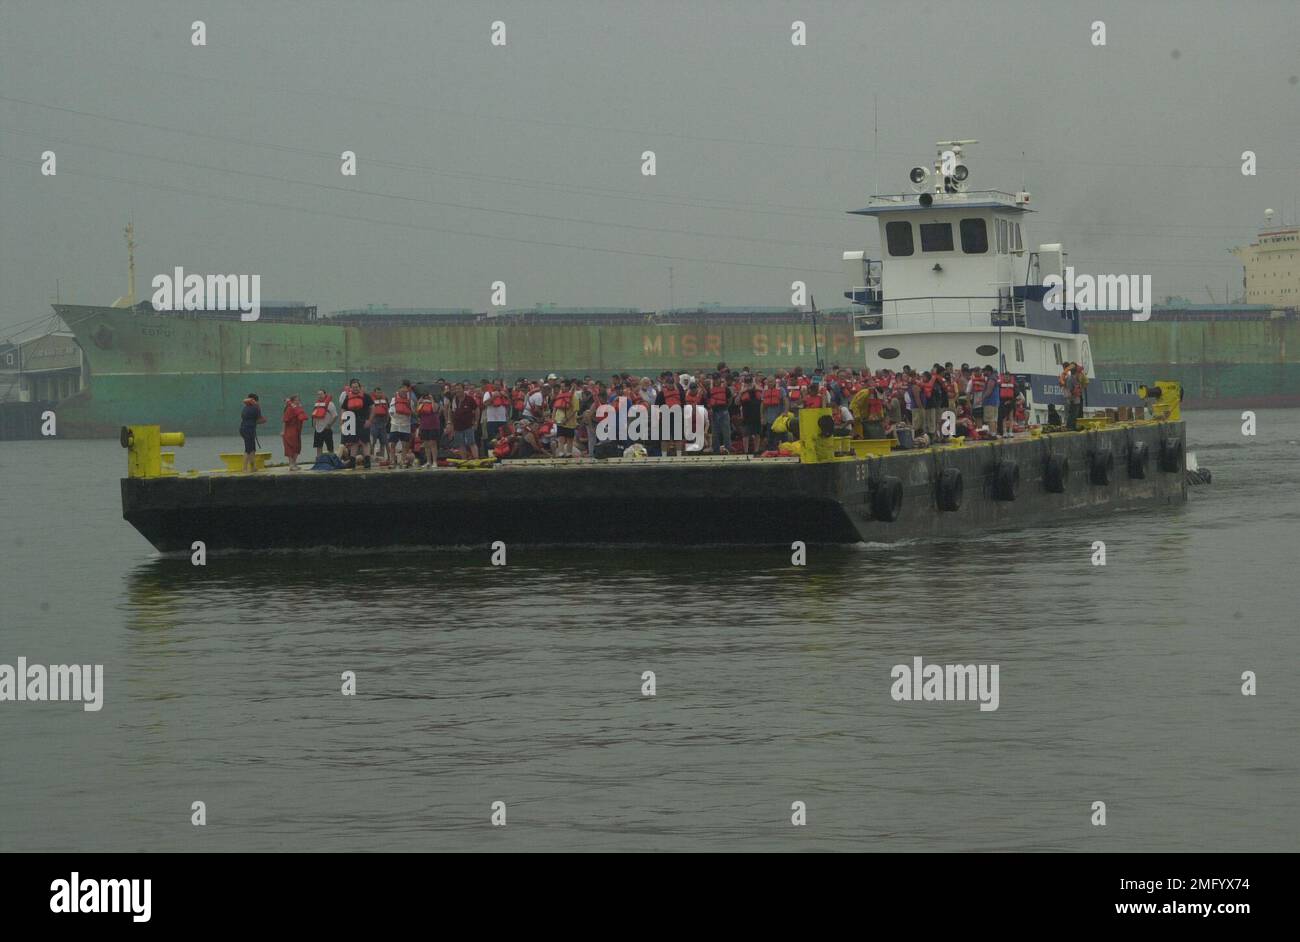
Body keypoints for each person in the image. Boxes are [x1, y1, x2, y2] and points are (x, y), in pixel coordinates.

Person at [388, 380, 416, 466]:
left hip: (405, 425)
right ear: (399, 391)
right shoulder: (393, 399)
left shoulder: (410, 401)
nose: (404, 393)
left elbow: (413, 412)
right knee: (392, 444)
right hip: (395, 425)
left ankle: (403, 461)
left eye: (405, 392)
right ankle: (392, 460)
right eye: (402, 391)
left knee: (405, 444)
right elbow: (391, 411)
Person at [239, 393, 265, 472]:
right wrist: (263, 420)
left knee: (252, 449)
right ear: (255, 400)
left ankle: (253, 467)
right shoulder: (256, 407)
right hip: (248, 429)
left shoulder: (245, 408)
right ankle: (244, 468)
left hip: (244, 428)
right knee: (248, 449)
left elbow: (251, 419)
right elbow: (260, 419)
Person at [705, 373, 731, 454]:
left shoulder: (725, 389)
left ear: (720, 379)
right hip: (714, 412)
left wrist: (726, 407)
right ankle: (716, 450)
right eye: (714, 379)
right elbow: (708, 400)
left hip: (724, 411)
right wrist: (710, 409)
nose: (716, 381)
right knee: (715, 433)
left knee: (726, 432)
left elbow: (730, 398)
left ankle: (727, 450)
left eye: (717, 379)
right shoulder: (710, 390)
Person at [416, 388, 441, 466]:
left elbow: (434, 409)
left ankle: (434, 461)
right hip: (424, 426)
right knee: (426, 444)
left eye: (427, 397)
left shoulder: (435, 403)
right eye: (425, 397)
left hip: (433, 426)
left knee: (433, 443)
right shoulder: (421, 404)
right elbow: (417, 411)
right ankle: (428, 461)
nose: (426, 398)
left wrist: (432, 399)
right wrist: (419, 402)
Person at [281, 394, 307, 470]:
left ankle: (294, 463)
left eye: (299, 400)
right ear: (292, 401)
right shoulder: (289, 409)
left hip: (297, 431)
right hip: (290, 430)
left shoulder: (298, 409)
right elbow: (285, 420)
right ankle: (291, 465)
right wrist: (283, 431)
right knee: (290, 447)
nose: (298, 401)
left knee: (297, 447)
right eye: (296, 400)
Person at [310, 389, 338, 457]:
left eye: (321, 394)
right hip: (318, 429)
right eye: (318, 394)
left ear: (325, 394)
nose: (320, 396)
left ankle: (332, 461)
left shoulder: (330, 404)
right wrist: (314, 425)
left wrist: (330, 425)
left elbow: (335, 416)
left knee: (330, 447)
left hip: (326, 429)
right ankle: (319, 461)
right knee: (318, 446)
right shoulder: (317, 404)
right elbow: (314, 415)